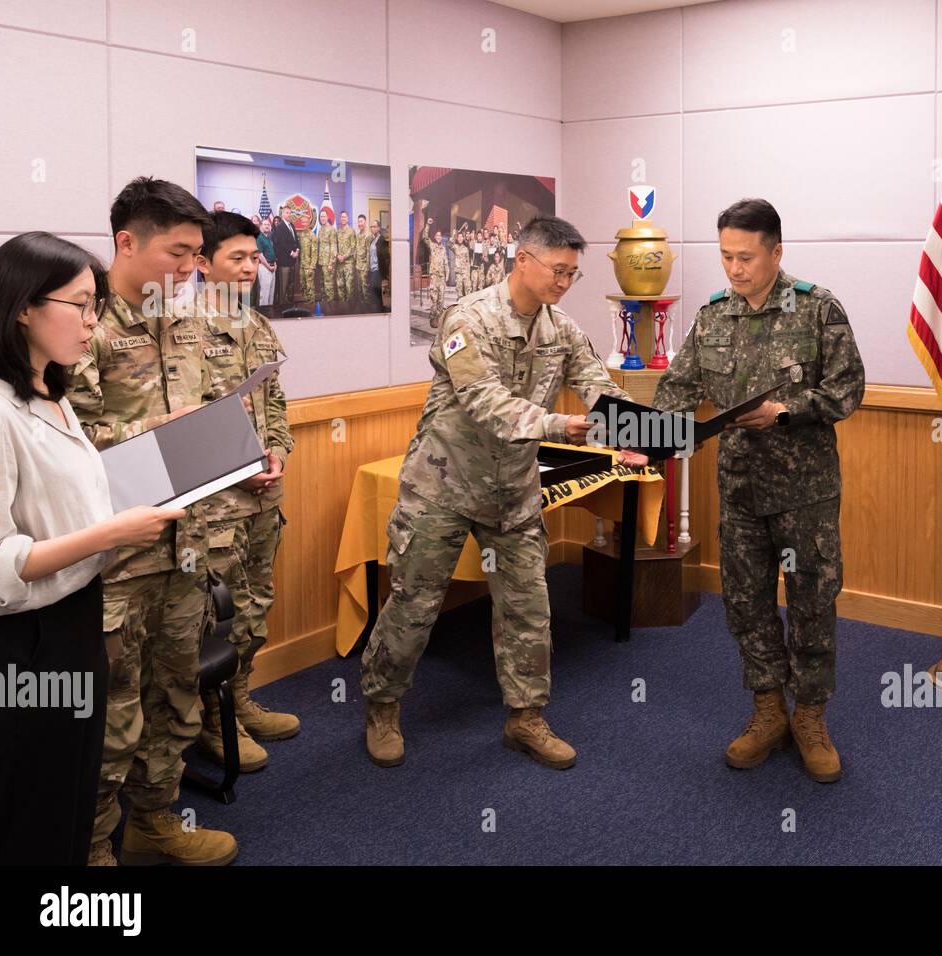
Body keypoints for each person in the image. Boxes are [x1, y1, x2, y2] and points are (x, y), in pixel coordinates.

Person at [359, 216, 643, 771]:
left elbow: (598, 386)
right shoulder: (466, 318)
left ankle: (525, 717)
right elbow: (484, 402)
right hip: (442, 484)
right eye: (557, 270)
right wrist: (560, 426)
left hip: (512, 490)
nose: (564, 282)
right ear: (522, 260)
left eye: (572, 274)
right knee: (416, 603)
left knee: (528, 608)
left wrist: (649, 430)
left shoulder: (560, 327)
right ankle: (382, 703)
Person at [651, 198, 864, 783]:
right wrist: (645, 438)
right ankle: (768, 711)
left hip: (805, 493)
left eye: (746, 257)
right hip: (741, 492)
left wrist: (785, 412)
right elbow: (678, 388)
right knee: (746, 603)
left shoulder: (819, 310)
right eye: (725, 257)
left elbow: (848, 392)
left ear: (776, 252)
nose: (735, 269)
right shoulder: (713, 316)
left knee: (813, 604)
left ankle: (811, 719)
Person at [0, 232, 186, 865]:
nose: (91, 322)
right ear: (22, 306)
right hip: (27, 637)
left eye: (95, 306)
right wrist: (112, 533)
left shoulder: (50, 389)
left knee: (69, 790)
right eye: (79, 305)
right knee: (31, 800)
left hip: (78, 612)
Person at [68, 177, 238, 865]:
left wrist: (228, 446)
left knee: (177, 693)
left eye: (199, 253)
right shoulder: (82, 322)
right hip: (111, 558)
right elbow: (59, 441)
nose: (192, 269)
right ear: (126, 242)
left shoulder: (187, 320)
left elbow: (198, 413)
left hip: (185, 544)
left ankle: (154, 822)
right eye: (179, 252)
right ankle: (90, 850)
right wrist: (154, 429)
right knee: (109, 714)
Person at [193, 212, 300, 771]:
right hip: (214, 508)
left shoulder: (257, 325)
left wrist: (278, 450)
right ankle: (214, 721)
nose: (250, 268)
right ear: (203, 263)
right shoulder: (179, 331)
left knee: (257, 605)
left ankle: (242, 698)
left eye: (254, 257)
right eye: (237, 258)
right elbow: (175, 428)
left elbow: (275, 402)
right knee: (219, 617)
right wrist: (237, 469)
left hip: (263, 496)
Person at [272, 205, 300, 312]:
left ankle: (289, 304)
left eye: (290, 213)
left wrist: (297, 250)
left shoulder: (291, 225)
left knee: (290, 284)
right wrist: (291, 252)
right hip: (284, 261)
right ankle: (282, 308)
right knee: (283, 286)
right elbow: (280, 244)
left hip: (292, 261)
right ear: (282, 214)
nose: (289, 215)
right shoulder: (280, 226)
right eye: (287, 213)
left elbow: (295, 240)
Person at [315, 209, 336, 311]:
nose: (322, 218)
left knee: (329, 287)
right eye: (321, 216)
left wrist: (331, 263)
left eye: (324, 216)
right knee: (322, 286)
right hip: (321, 262)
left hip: (328, 262)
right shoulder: (321, 229)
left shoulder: (331, 229)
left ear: (327, 217)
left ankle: (330, 309)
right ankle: (324, 307)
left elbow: (333, 246)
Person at [335, 210, 356, 310]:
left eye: (345, 217)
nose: (343, 218)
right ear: (340, 219)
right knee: (340, 286)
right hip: (339, 263)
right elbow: (335, 246)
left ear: (347, 219)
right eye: (342, 217)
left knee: (349, 287)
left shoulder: (351, 231)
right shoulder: (338, 231)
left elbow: (353, 247)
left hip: (348, 263)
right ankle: (342, 307)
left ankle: (350, 308)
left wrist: (344, 257)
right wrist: (338, 255)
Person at [255, 216, 276, 313]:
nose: (267, 226)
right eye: (265, 224)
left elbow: (272, 252)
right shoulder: (259, 237)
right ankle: (263, 316)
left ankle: (270, 316)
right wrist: (268, 267)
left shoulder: (269, 238)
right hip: (264, 267)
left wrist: (274, 264)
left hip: (272, 268)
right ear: (260, 226)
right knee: (265, 293)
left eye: (268, 224)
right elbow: (259, 255)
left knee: (271, 293)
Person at [353, 214, 372, 311]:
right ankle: (361, 310)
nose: (360, 224)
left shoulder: (368, 236)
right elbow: (356, 249)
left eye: (361, 221)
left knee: (365, 290)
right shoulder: (358, 235)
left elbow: (369, 253)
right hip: (358, 266)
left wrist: (367, 268)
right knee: (359, 289)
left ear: (365, 222)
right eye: (358, 222)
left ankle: (367, 310)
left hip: (364, 267)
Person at [427, 229, 447, 320]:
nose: (438, 237)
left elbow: (446, 263)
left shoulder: (443, 248)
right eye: (437, 235)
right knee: (434, 298)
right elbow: (425, 237)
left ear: (441, 237)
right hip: (434, 276)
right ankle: (432, 317)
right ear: (435, 237)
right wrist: (428, 225)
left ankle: (439, 318)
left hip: (442, 277)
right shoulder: (432, 245)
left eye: (440, 235)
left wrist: (447, 275)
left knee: (441, 298)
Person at [367, 219, 385, 312]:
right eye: (371, 227)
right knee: (375, 293)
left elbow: (385, 257)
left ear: (378, 228)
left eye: (374, 226)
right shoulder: (373, 240)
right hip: (372, 269)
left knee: (375, 292)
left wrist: (384, 273)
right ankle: (379, 310)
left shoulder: (381, 239)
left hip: (378, 270)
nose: (372, 228)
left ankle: (379, 311)